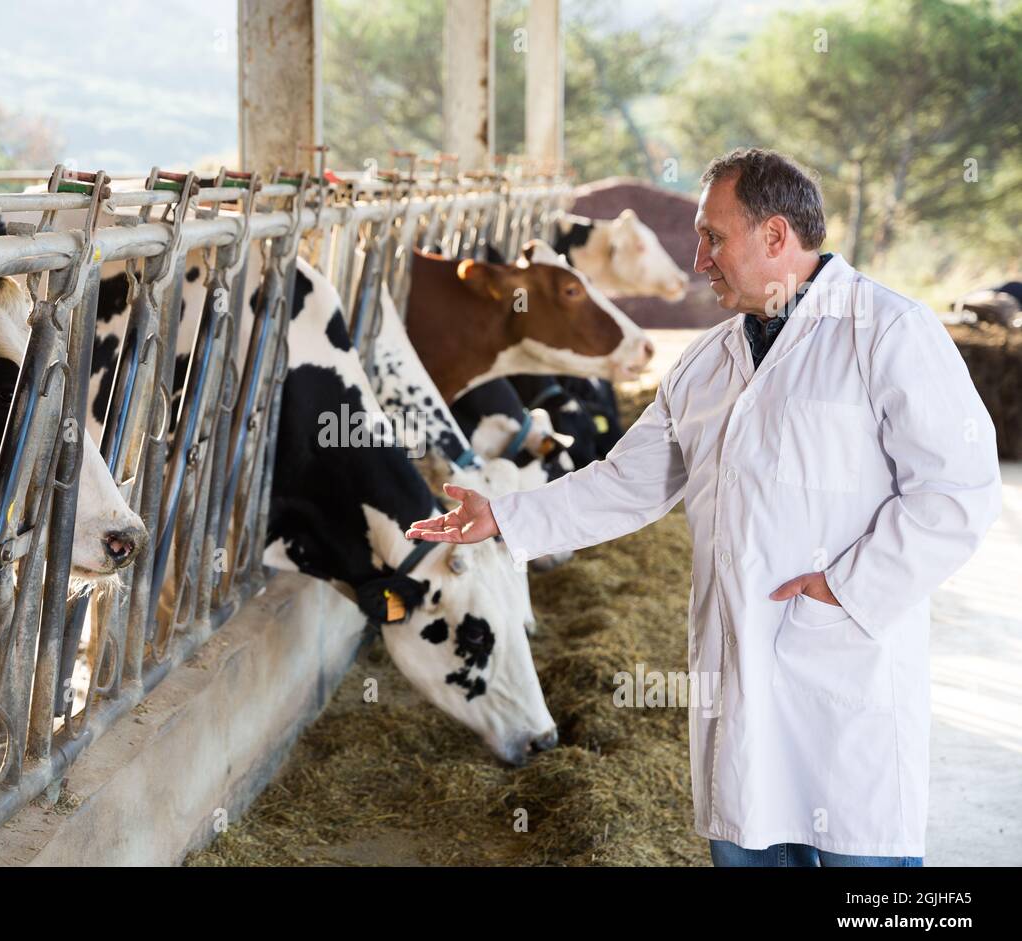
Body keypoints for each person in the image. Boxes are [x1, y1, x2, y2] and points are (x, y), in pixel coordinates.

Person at [406, 147, 1003, 867]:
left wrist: (843, 588)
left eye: (713, 237)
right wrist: (506, 516)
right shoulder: (707, 359)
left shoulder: (887, 332)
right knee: (749, 841)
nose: (698, 258)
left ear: (776, 236)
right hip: (736, 676)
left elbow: (958, 492)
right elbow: (629, 482)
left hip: (844, 666)